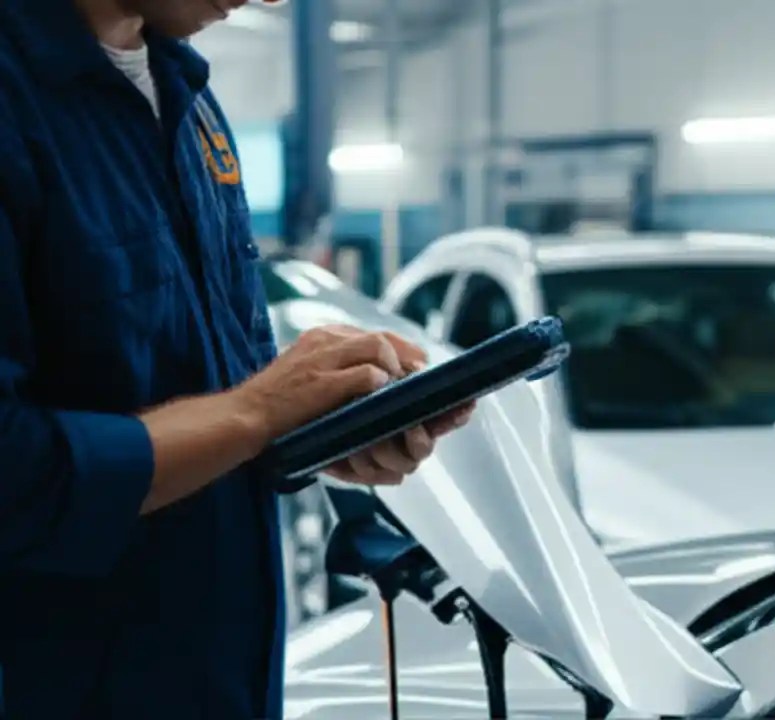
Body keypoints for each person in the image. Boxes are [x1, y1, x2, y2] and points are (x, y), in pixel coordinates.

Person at [0, 0, 472, 717]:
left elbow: (205, 389)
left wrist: (314, 429)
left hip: (224, 680)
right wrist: (255, 412)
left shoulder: (187, 97)